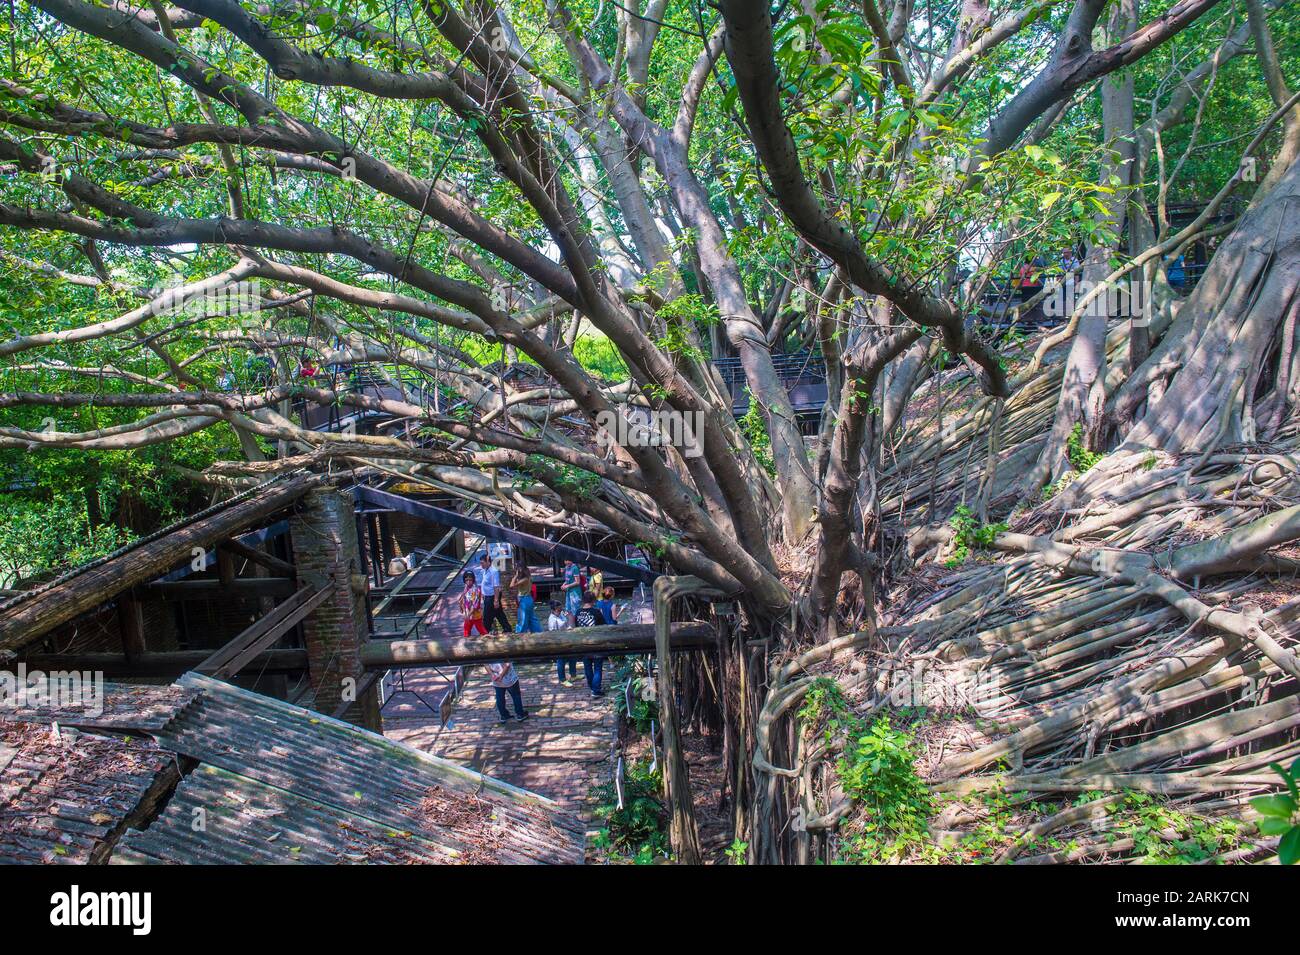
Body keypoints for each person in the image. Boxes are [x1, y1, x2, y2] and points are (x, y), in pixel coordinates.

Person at [574, 592, 608, 697]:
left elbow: (576, 626)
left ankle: (591, 686)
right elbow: (604, 626)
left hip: (583, 643)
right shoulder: (596, 612)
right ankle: (596, 689)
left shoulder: (578, 612)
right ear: (593, 601)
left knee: (587, 667)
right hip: (596, 643)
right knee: (597, 668)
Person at [475, 553, 511, 633]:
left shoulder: (494, 571)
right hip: (487, 596)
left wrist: (496, 600)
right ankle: (507, 628)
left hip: (492, 596)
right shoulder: (485, 570)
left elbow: (496, 586)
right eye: (480, 563)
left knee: (487, 616)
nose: (481, 565)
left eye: (482, 563)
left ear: (488, 562)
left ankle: (485, 631)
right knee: (498, 613)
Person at [547, 598, 576, 685]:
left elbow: (570, 615)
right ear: (553, 610)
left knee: (572, 657)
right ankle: (562, 679)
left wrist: (569, 617)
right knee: (561, 660)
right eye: (558, 610)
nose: (560, 611)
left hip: (567, 639)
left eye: (561, 609)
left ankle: (573, 675)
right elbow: (553, 634)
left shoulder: (562, 612)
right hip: (559, 642)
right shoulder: (552, 620)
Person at [511, 564, 541, 633]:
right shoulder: (528, 577)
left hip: (524, 600)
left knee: (522, 619)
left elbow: (511, 585)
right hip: (529, 599)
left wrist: (515, 576)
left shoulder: (525, 579)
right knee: (532, 618)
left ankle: (519, 634)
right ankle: (538, 632)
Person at [458, 571, 487, 638]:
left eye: (470, 580)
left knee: (482, 630)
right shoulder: (466, 587)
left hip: (475, 614)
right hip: (468, 614)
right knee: (466, 631)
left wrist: (468, 615)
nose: (468, 581)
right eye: (466, 580)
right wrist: (461, 607)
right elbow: (463, 598)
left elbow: (475, 605)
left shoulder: (476, 590)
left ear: (473, 580)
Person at [561, 558, 583, 622]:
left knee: (575, 609)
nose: (567, 562)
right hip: (569, 591)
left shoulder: (575, 568)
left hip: (575, 592)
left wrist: (567, 586)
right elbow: (567, 579)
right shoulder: (566, 567)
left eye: (568, 560)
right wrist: (563, 584)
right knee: (567, 608)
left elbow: (577, 582)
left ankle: (577, 623)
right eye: (565, 560)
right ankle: (568, 622)